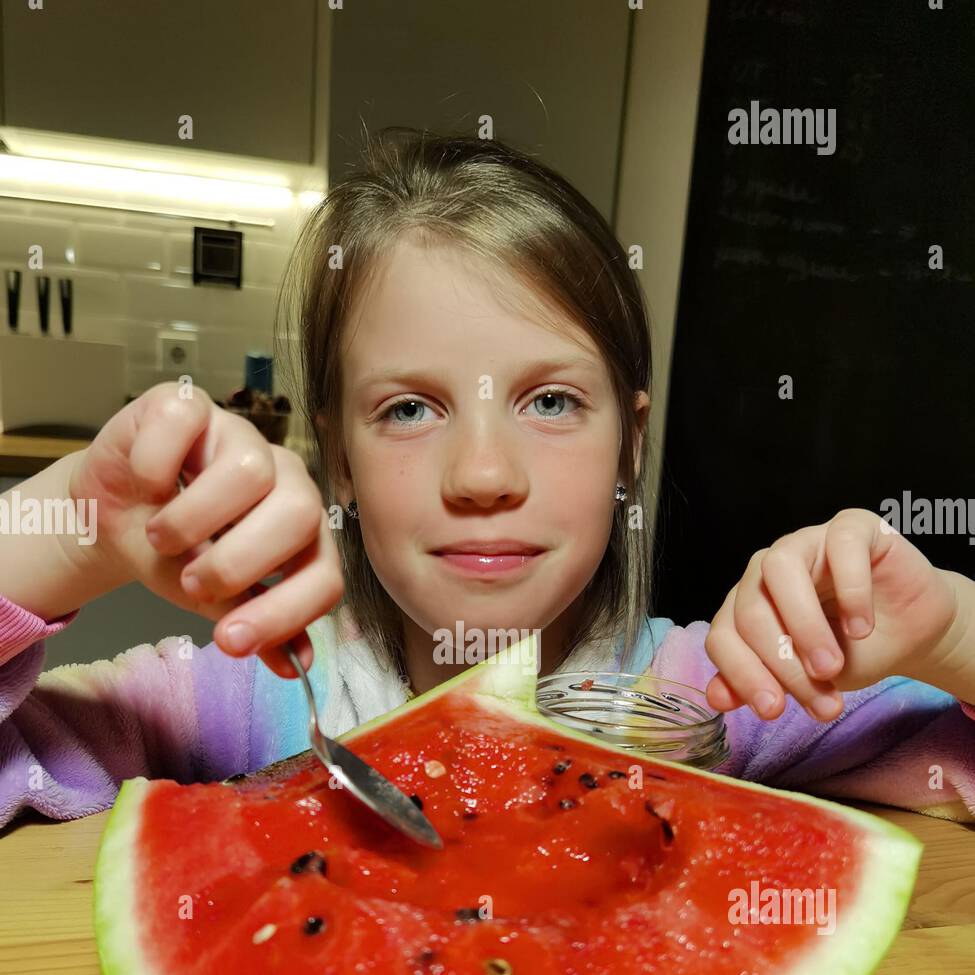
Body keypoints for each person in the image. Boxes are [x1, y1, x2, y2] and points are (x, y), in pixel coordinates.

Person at [2, 128, 973, 831]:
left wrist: (948, 634)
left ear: (631, 442)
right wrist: (69, 526)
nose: (482, 473)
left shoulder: (715, 698)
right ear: (338, 455)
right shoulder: (231, 702)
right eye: (410, 408)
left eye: (550, 402)